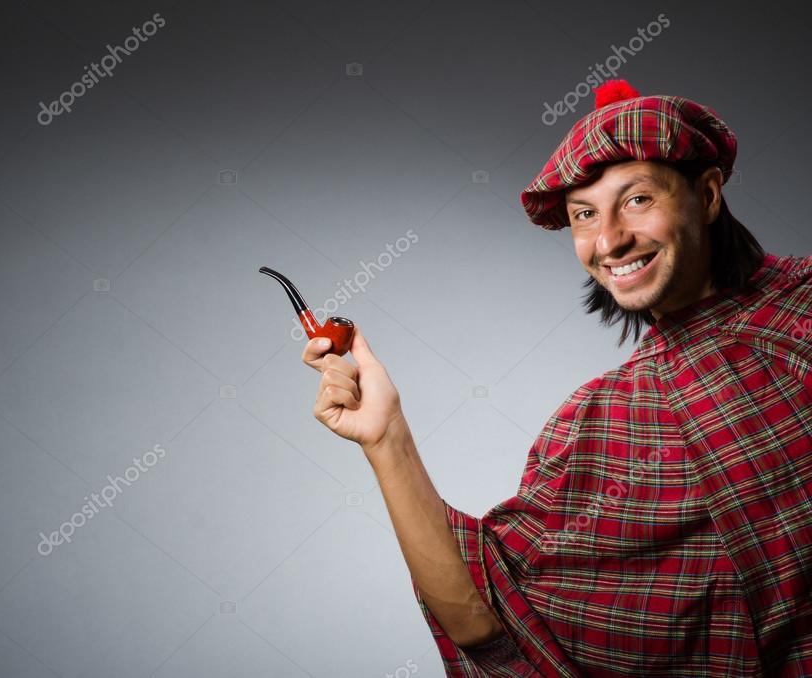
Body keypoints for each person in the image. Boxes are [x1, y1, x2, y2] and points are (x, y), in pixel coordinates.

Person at [300, 80, 812, 676]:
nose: (610, 240)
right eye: (584, 215)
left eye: (638, 200)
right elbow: (488, 619)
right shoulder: (599, 421)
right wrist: (386, 438)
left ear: (707, 193)